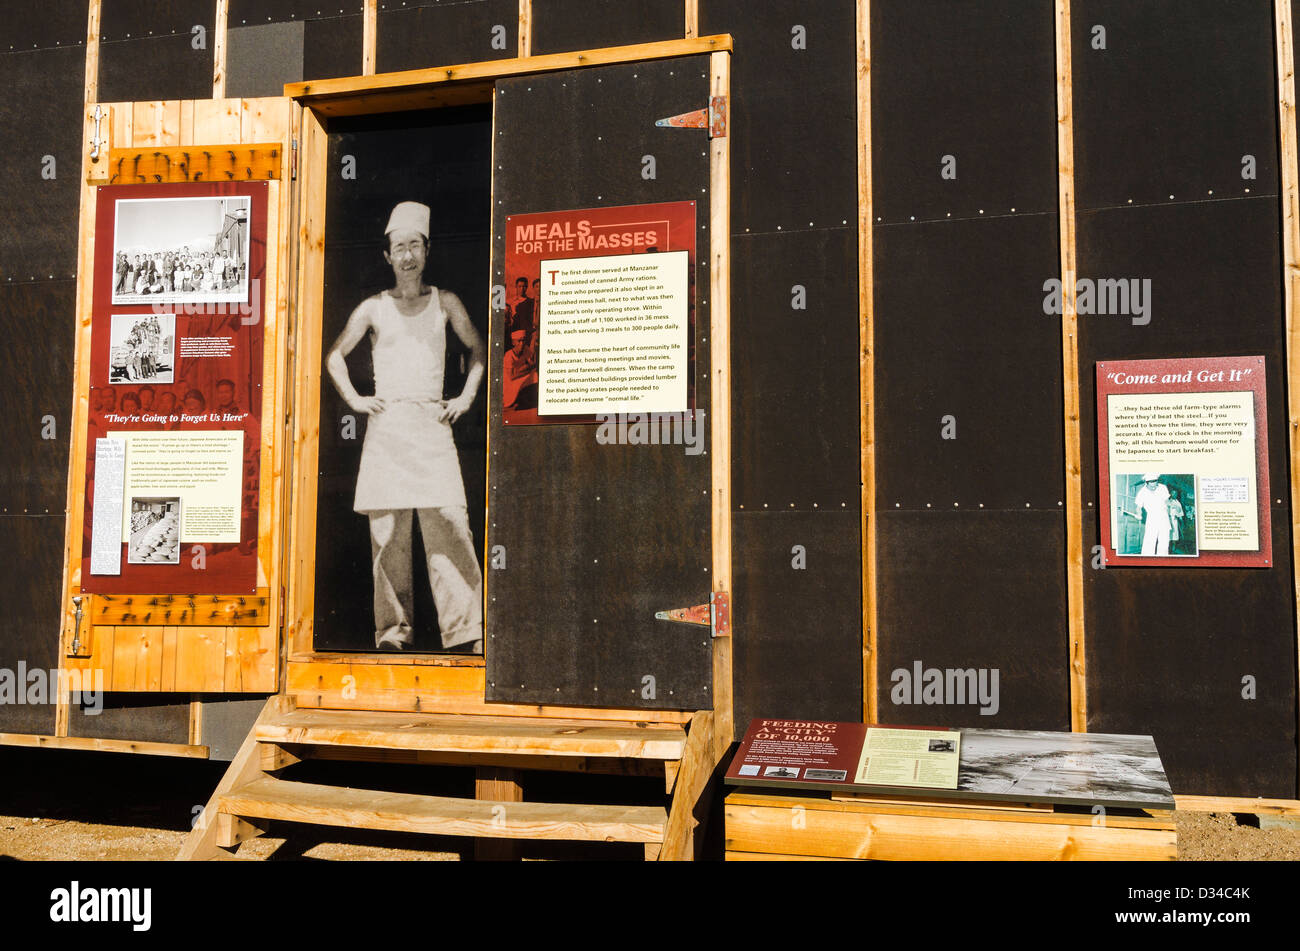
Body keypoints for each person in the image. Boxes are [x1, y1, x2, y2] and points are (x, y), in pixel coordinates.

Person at [326, 200, 486, 653]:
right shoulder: (374, 308)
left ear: (426, 250)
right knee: (388, 536)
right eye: (399, 247)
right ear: (388, 256)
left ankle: (467, 631)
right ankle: (393, 634)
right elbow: (335, 355)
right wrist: (356, 400)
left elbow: (478, 348)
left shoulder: (445, 302)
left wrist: (466, 397)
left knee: (450, 528)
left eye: (415, 245)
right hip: (388, 428)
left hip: (432, 425)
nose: (407, 256)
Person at [1135, 474, 1172, 556]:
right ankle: (1147, 563)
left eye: (1155, 485)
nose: (1154, 488)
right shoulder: (1142, 492)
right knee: (1149, 542)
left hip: (1164, 517)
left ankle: (1162, 562)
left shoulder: (1163, 488)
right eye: (1151, 486)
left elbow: (1167, 501)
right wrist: (1138, 514)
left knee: (1164, 543)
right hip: (1152, 518)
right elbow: (1138, 507)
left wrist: (1173, 506)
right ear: (1146, 483)